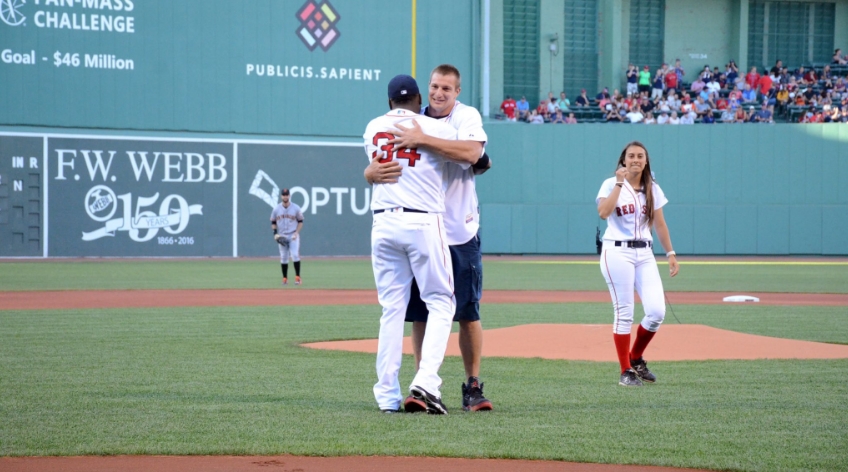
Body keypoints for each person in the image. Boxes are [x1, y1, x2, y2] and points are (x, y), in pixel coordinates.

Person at [367, 64, 494, 413]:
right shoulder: (422, 119)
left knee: (466, 310)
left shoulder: (462, 117)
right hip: (426, 225)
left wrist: (422, 139)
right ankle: (421, 385)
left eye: (446, 88)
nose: (439, 93)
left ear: (457, 92)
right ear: (423, 93)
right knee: (423, 311)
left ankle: (471, 385)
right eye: (435, 87)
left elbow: (476, 156)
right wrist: (369, 172)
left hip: (458, 228)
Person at [596, 141, 679, 387]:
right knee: (624, 312)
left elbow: (660, 223)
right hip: (616, 251)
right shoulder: (610, 184)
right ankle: (625, 371)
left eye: (640, 156)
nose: (635, 159)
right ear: (624, 160)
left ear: (646, 161)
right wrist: (619, 183)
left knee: (657, 312)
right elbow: (603, 212)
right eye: (631, 156)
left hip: (645, 253)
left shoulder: (652, 188)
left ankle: (636, 357)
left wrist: (670, 253)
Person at [271, 188, 304, 286]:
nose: (285, 196)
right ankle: (285, 278)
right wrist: (275, 233)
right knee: (283, 257)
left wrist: (296, 233)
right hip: (282, 235)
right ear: (281, 196)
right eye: (283, 195)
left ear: (289, 196)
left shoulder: (296, 208)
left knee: (295, 255)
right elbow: (273, 222)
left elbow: (300, 221)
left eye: (287, 195)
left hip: (293, 234)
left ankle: (298, 277)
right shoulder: (276, 209)